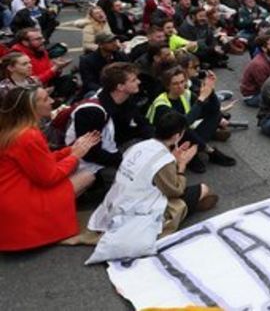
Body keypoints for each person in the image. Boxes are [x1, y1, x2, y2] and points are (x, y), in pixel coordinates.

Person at [87, 111, 219, 258]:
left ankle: (191, 206)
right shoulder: (163, 160)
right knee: (203, 189)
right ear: (177, 136)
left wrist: (172, 158)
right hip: (137, 212)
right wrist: (181, 165)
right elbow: (175, 191)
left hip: (115, 202)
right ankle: (189, 209)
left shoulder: (139, 146)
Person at [0, 86, 100, 251]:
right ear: (32, 107)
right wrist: (75, 155)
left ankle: (57, 216)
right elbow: (48, 177)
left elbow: (41, 162)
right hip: (19, 203)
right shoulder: (28, 135)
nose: (52, 101)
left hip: (9, 198)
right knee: (88, 176)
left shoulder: (12, 130)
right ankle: (52, 222)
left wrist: (70, 150)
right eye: (46, 99)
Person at [65, 62, 155, 176]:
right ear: (120, 87)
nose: (139, 82)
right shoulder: (91, 112)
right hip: (89, 164)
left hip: (114, 149)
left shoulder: (125, 99)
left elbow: (141, 123)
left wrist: (156, 141)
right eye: (133, 80)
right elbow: (91, 153)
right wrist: (123, 160)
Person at [147, 67, 237, 172]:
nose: (180, 86)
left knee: (216, 114)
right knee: (183, 127)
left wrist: (210, 91)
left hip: (183, 134)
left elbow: (213, 109)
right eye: (175, 84)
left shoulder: (186, 93)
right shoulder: (161, 105)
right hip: (167, 141)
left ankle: (192, 154)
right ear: (168, 86)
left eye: (182, 82)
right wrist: (201, 98)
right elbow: (181, 124)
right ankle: (209, 151)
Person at [11, 28, 75, 99]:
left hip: (46, 85)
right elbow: (31, 81)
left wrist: (58, 69)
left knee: (71, 80)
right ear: (25, 42)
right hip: (29, 92)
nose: (43, 41)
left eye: (42, 38)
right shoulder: (18, 57)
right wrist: (54, 69)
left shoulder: (40, 49)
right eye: (38, 39)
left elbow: (49, 73)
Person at [240, 33, 270, 107]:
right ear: (264, 48)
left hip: (261, 90)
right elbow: (265, 87)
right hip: (253, 96)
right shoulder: (259, 64)